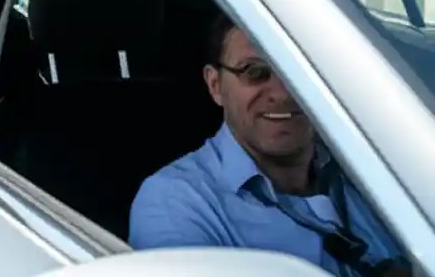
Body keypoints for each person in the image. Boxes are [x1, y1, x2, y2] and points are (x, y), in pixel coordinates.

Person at [128, 14, 410, 276]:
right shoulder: (175, 202)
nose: (283, 93)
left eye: (298, 69)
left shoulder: (379, 171)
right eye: (255, 71)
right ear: (215, 85)